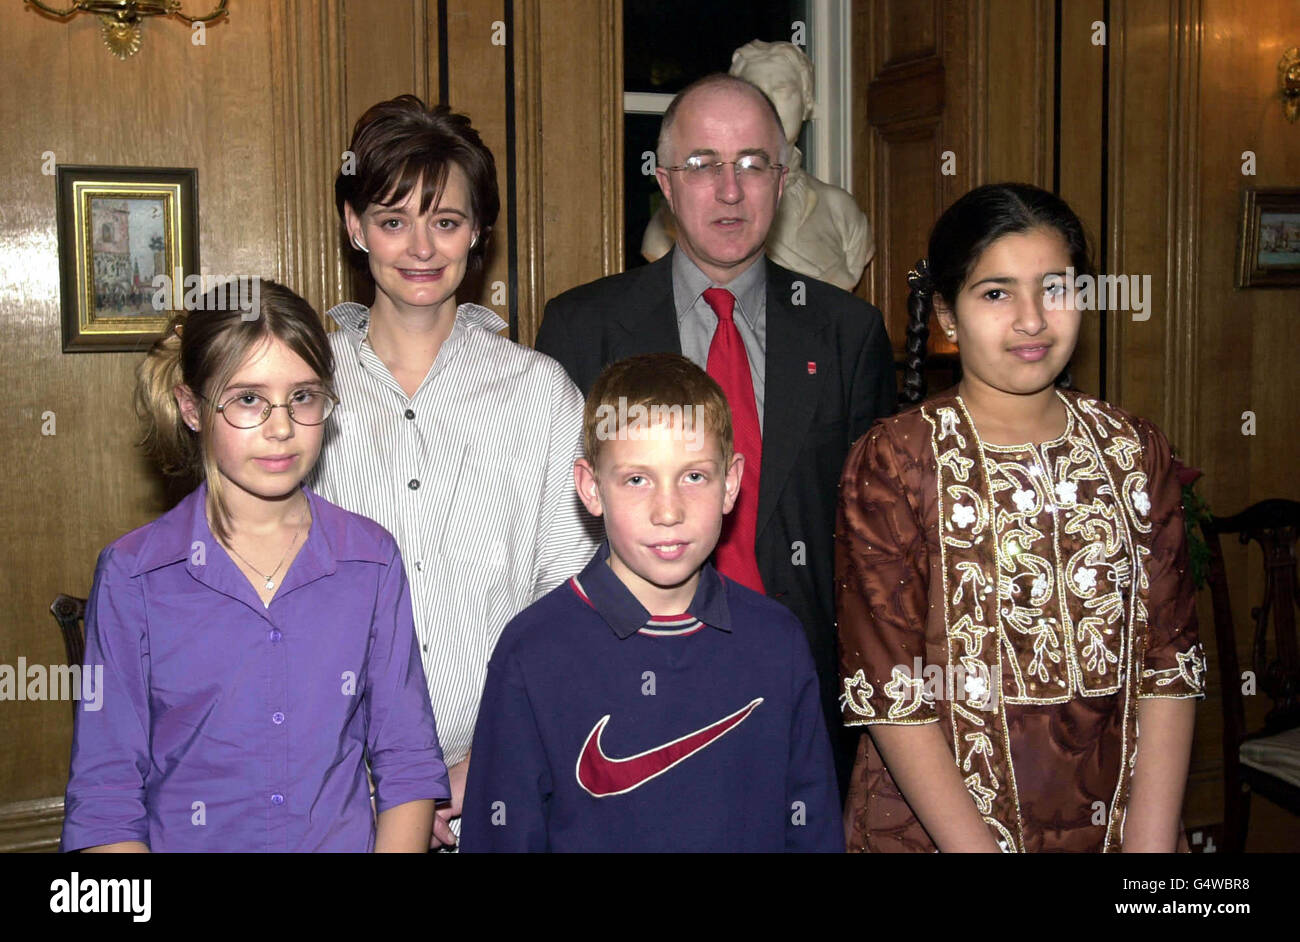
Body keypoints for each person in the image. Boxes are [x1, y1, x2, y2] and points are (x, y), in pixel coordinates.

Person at [536, 73, 896, 797]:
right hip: (621, 684)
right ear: (665, 183)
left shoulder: (847, 333)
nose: (730, 190)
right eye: (703, 164)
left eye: (754, 164)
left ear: (784, 180)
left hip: (799, 696)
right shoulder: (581, 327)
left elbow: (875, 546)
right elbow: (559, 523)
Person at [836, 183, 1205, 852]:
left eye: (1056, 289)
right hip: (936, 831)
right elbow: (890, 693)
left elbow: (1170, 662)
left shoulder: (1132, 449)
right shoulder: (894, 462)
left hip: (1123, 821)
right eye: (997, 293)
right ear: (947, 315)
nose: (1033, 320)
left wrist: (1149, 849)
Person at [61, 279, 447, 853]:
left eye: (304, 396)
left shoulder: (370, 559)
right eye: (247, 399)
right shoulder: (134, 574)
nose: (282, 427)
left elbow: (407, 759)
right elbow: (105, 799)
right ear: (192, 407)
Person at [310, 95, 598, 847]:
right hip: (328, 783)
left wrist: (484, 763)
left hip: (505, 782)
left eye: (446, 221)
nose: (420, 247)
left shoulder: (540, 392)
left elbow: (568, 605)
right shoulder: (298, 386)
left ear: (479, 234)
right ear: (353, 224)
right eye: (392, 218)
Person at [459, 354, 842, 852]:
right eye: (637, 479)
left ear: (731, 483)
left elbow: (813, 830)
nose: (668, 511)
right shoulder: (533, 650)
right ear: (591, 489)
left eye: (694, 477)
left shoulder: (777, 640)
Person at [642, 40, 875, 292]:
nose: (770, 104)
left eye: (783, 89)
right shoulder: (672, 220)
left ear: (807, 102)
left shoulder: (842, 213)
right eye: (757, 91)